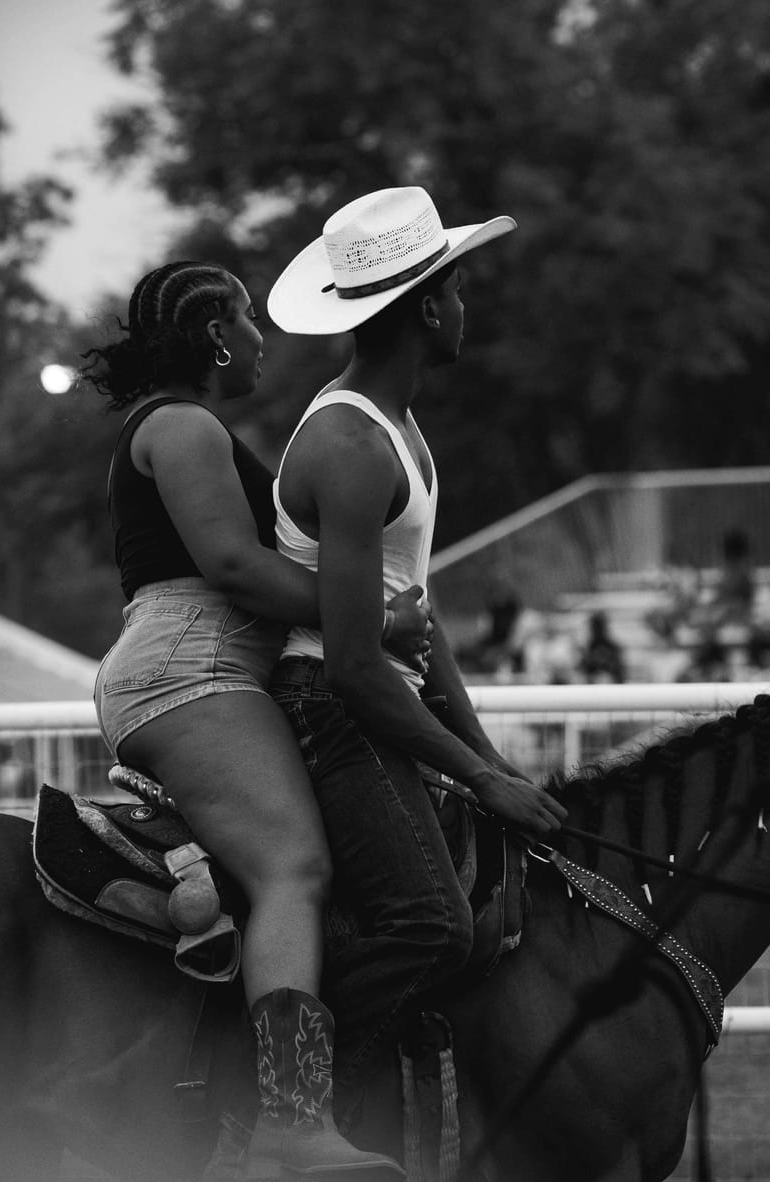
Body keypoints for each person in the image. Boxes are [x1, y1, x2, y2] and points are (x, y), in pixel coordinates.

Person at [80, 261, 427, 1179]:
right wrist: (374, 618)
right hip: (194, 662)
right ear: (214, 338)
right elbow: (233, 567)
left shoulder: (180, 425)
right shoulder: (184, 425)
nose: (266, 340)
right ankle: (291, 1113)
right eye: (248, 320)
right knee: (293, 864)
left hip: (202, 662)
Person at [262, 187, 568, 1106]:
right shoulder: (354, 445)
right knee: (431, 922)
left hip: (368, 704)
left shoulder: (393, 429)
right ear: (428, 308)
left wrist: (488, 758)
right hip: (332, 707)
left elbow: (420, 633)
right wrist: (481, 779)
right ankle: (295, 1106)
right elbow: (356, 664)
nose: (466, 305)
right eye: (459, 289)